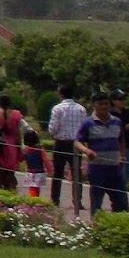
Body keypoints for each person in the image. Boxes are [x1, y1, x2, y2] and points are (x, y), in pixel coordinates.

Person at [76, 94, 129, 218]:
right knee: (97, 204)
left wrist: (123, 156)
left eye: (106, 104)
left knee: (121, 204)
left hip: (115, 169)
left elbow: (122, 141)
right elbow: (77, 142)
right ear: (94, 105)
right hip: (97, 170)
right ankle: (96, 229)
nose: (103, 107)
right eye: (100, 104)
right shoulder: (87, 123)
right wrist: (87, 151)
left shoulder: (117, 121)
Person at [46, 84, 88, 214]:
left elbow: (52, 129)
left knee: (58, 173)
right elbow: (84, 127)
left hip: (61, 142)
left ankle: (55, 200)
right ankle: (77, 201)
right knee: (77, 173)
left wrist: (54, 133)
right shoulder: (81, 109)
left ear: (61, 94)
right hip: (76, 144)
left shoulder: (57, 109)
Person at [0, 94, 26, 190]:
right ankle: (11, 194)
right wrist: (19, 149)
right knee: (10, 174)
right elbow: (18, 134)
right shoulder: (16, 115)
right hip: (12, 149)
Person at [21, 129, 48, 198]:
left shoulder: (26, 150)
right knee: (36, 188)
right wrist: (50, 169)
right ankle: (34, 199)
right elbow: (46, 160)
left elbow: (21, 158)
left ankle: (33, 198)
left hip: (30, 172)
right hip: (39, 171)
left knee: (32, 187)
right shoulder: (40, 150)